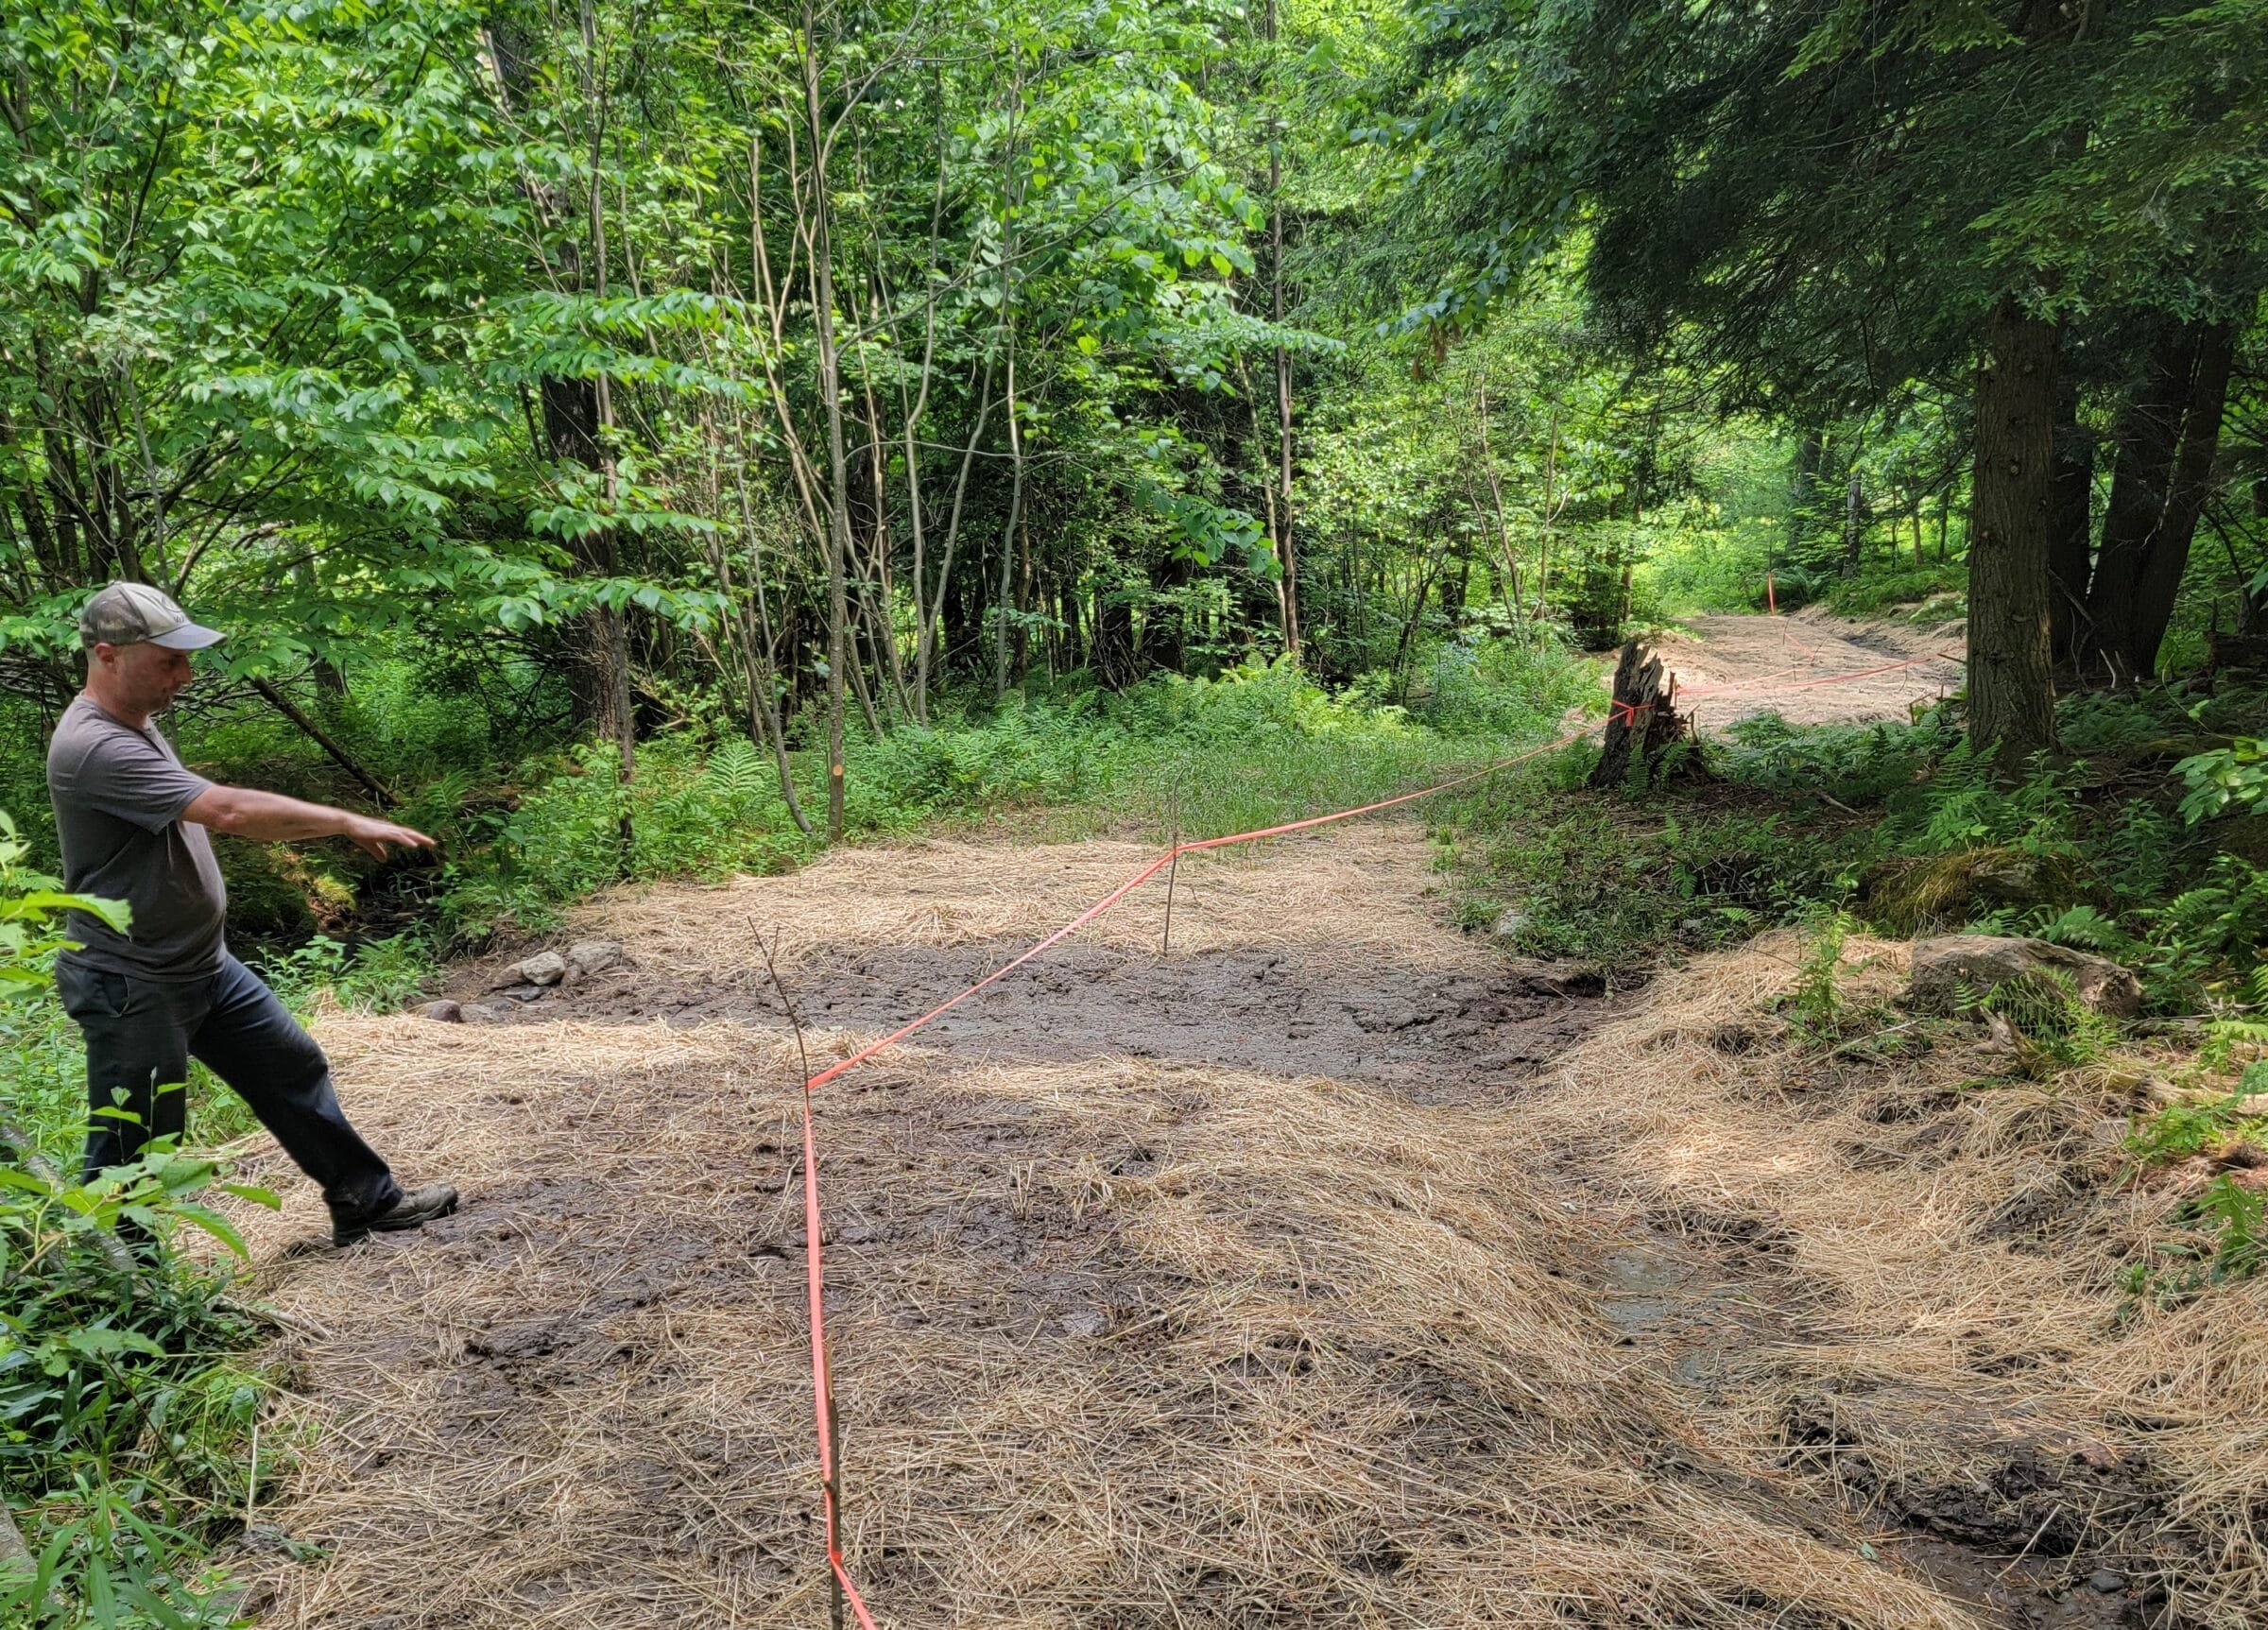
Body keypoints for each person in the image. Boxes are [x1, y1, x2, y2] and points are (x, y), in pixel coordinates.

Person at [45, 581, 458, 1247]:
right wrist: (343, 819)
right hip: (133, 980)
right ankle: (122, 1299)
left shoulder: (135, 718)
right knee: (137, 1138)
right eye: (168, 661)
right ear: (108, 655)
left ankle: (367, 1201)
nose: (185, 674)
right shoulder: (93, 746)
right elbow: (230, 812)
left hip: (199, 963)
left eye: (185, 658)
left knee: (290, 1065)